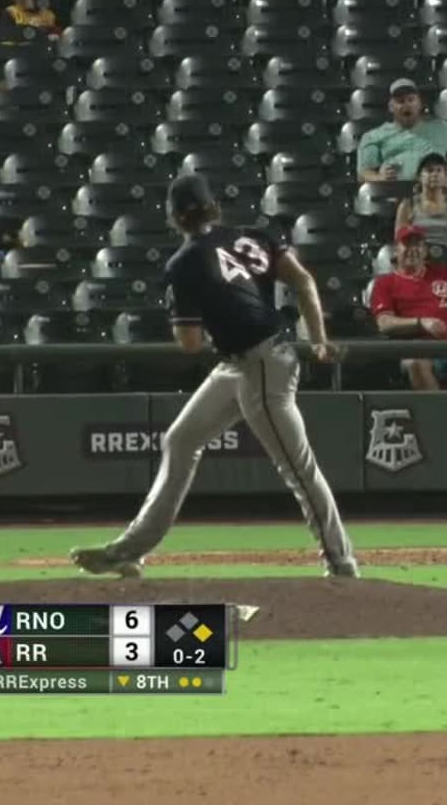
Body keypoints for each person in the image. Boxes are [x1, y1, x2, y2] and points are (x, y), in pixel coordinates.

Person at [71, 173, 359, 579]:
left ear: (174, 218)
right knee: (181, 439)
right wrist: (320, 340)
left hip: (259, 364)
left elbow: (188, 342)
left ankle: (341, 561)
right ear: (214, 206)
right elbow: (304, 282)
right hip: (248, 360)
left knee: (297, 467)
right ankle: (128, 550)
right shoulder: (251, 236)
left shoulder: (184, 262)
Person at [370, 224, 447, 390]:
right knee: (416, 364)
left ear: (425, 251)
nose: (413, 250)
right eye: (407, 244)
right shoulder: (384, 283)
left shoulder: (445, 273)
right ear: (396, 250)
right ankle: (439, 412)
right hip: (418, 349)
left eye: (419, 245)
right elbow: (384, 323)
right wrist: (421, 323)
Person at [356, 78, 447, 182]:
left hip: (434, 192)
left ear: (420, 104)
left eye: (411, 100)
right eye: (400, 101)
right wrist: (379, 178)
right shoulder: (373, 136)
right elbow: (363, 173)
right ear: (391, 106)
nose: (406, 105)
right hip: (395, 193)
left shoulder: (440, 128)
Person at [393, 152, 447, 253]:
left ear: (445, 176)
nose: (435, 174)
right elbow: (400, 239)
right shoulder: (407, 205)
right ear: (419, 177)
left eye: (439, 170)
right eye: (429, 170)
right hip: (418, 259)